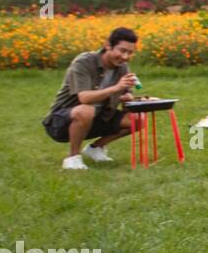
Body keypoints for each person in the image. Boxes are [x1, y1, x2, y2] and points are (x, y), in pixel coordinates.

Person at [43, 27, 138, 170]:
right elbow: (84, 98)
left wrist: (128, 98)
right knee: (86, 110)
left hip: (99, 118)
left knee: (137, 119)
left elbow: (124, 98)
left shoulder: (123, 68)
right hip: (61, 121)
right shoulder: (84, 62)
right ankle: (72, 158)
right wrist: (116, 88)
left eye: (130, 52)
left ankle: (95, 148)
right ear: (108, 45)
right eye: (122, 51)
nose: (125, 57)